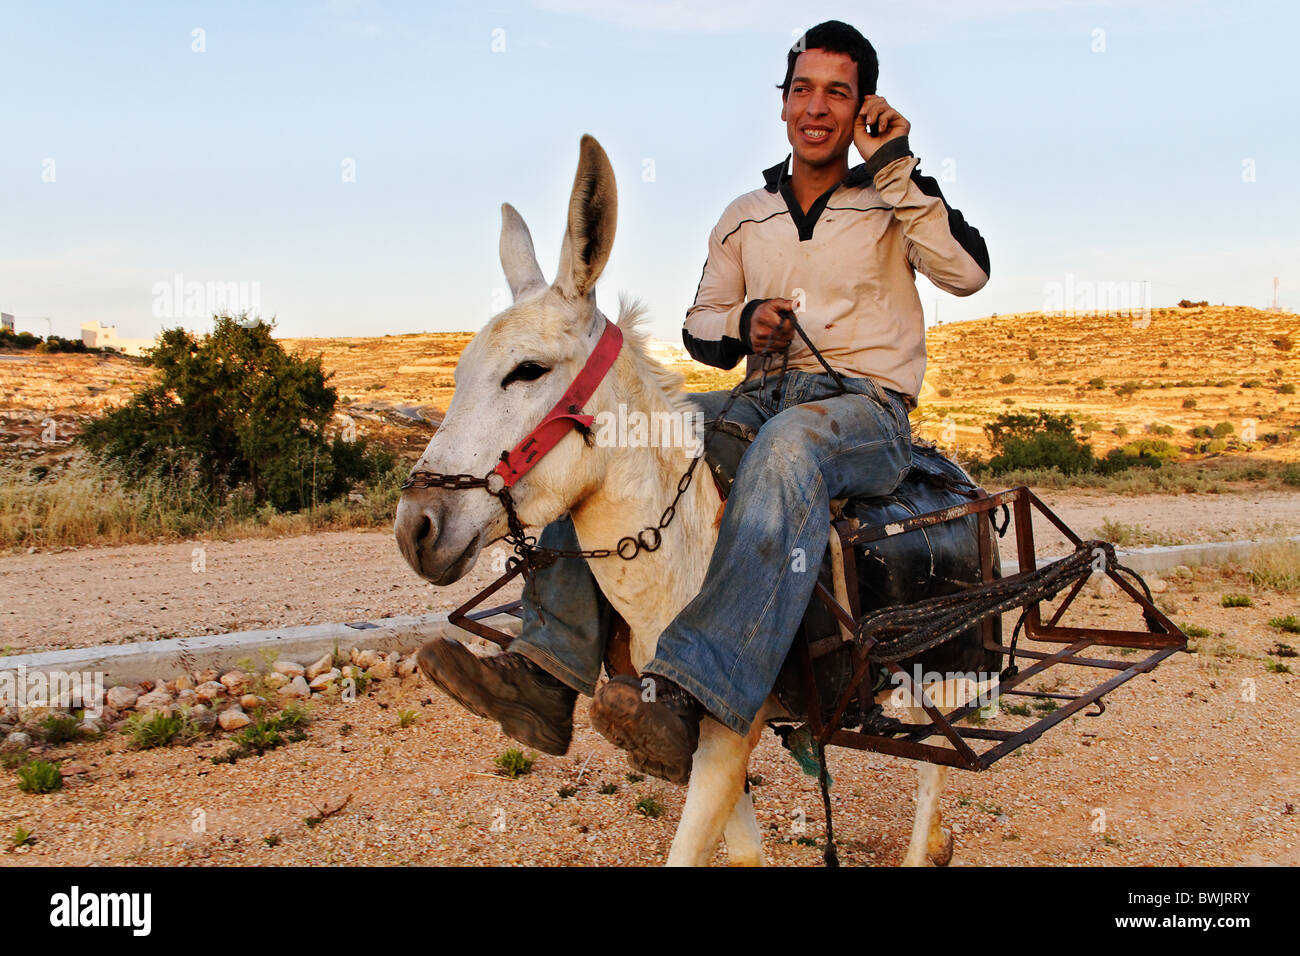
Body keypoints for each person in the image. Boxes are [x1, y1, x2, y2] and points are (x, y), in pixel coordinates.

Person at [417, 20, 990, 784]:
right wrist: (744, 324)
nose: (816, 107)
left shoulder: (895, 196)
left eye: (837, 94)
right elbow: (699, 326)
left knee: (789, 447)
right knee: (605, 433)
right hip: (761, 392)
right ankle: (545, 675)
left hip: (862, 410)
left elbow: (967, 273)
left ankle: (693, 688)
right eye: (802, 90)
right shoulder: (744, 213)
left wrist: (894, 163)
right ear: (783, 103)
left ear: (863, 110)